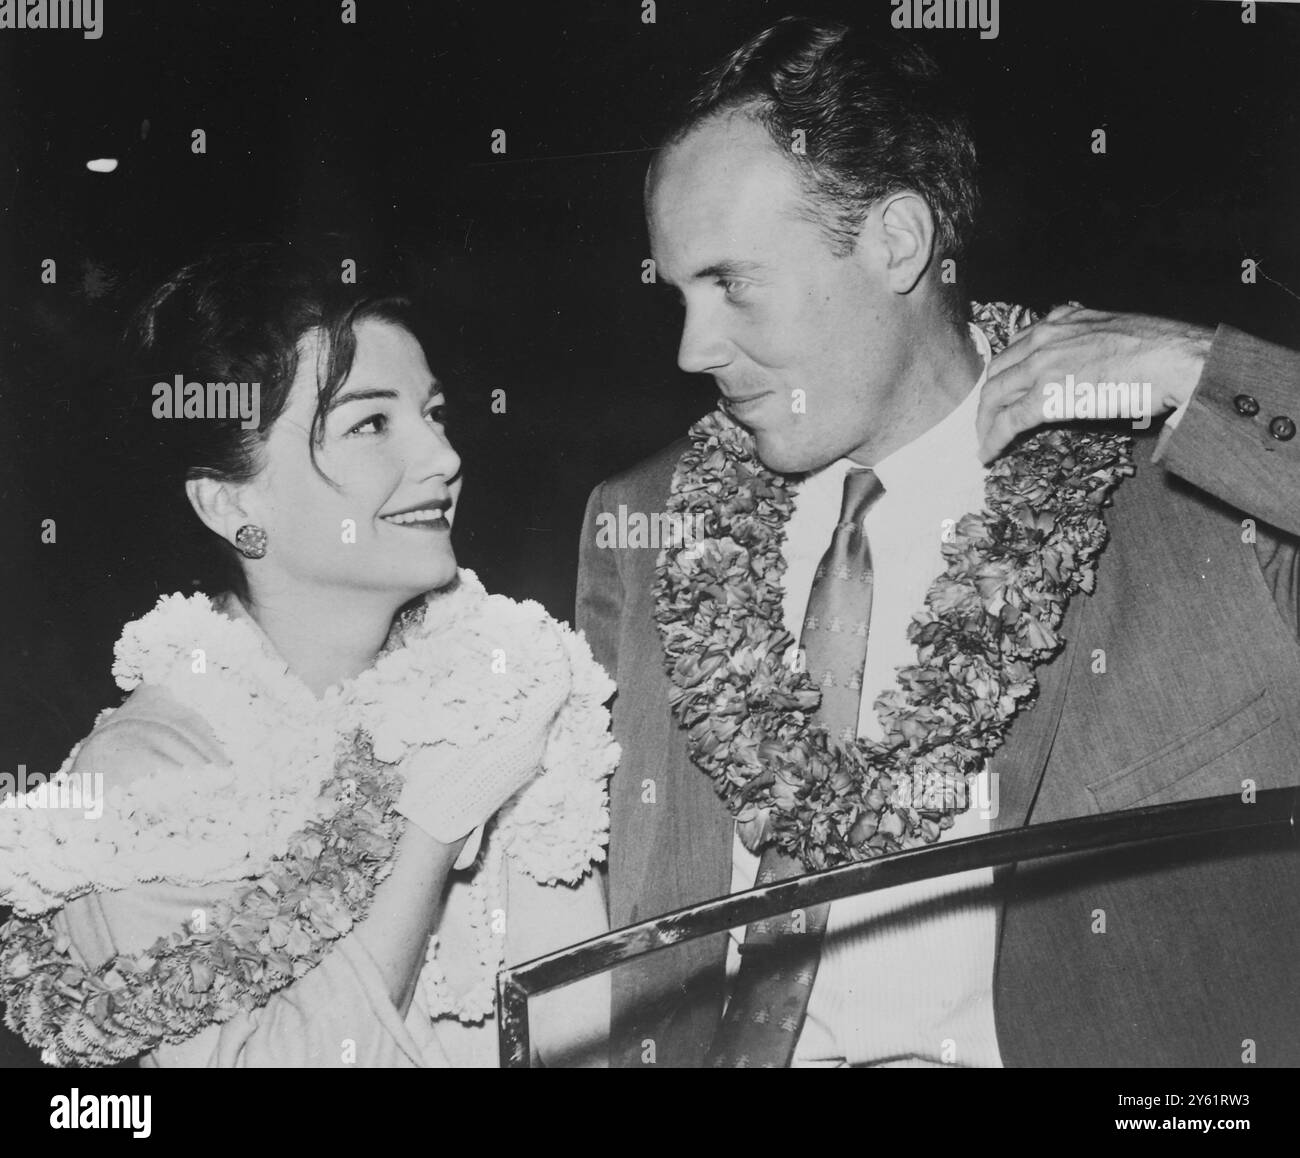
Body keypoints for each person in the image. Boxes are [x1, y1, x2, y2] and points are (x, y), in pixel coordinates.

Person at [578, 16, 1300, 1067]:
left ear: (897, 241)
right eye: (679, 292)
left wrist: (1204, 370)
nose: (695, 348)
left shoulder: (1186, 494)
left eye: (732, 282)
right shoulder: (639, 527)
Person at [0, 241, 615, 1068]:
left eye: (432, 413)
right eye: (370, 424)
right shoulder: (142, 784)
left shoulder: (498, 681)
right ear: (230, 503)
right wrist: (429, 824)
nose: (443, 459)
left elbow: (586, 1032)